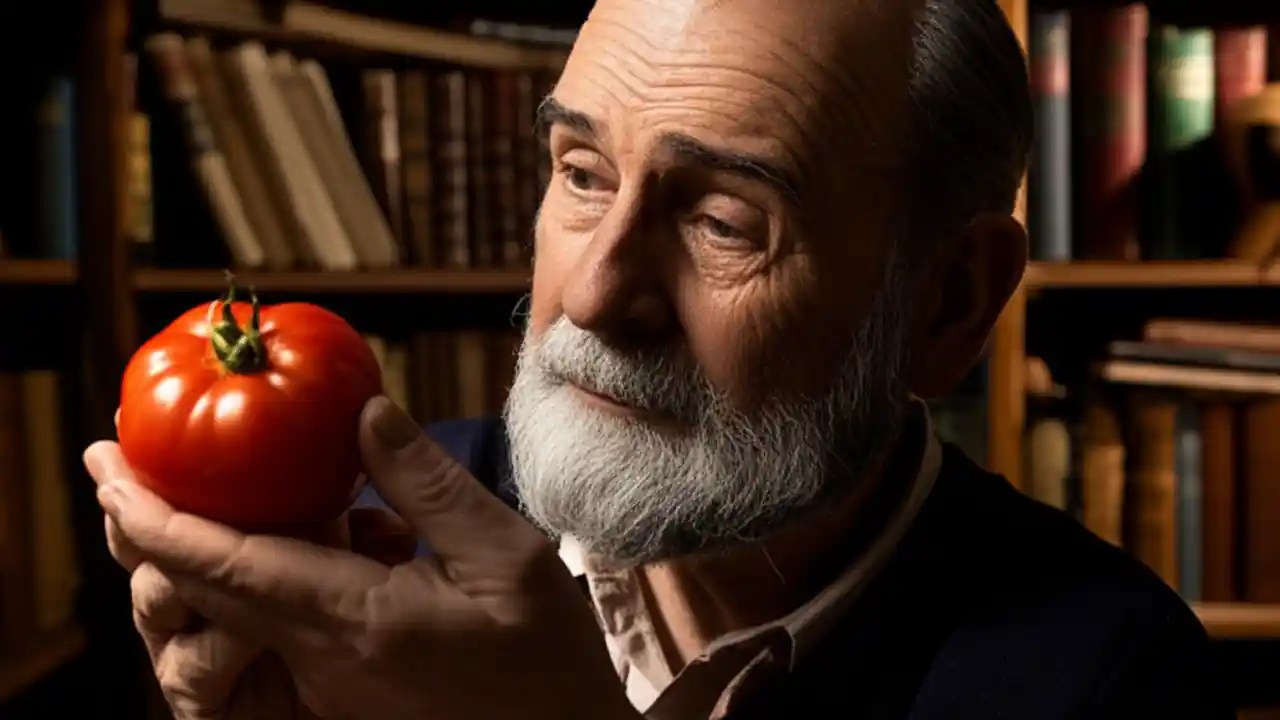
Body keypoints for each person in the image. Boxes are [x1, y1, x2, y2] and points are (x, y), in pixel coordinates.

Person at [82, 0, 1233, 717]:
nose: (588, 295)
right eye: (580, 175)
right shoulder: (366, 536)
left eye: (723, 221)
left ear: (945, 303)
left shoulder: (1106, 677)